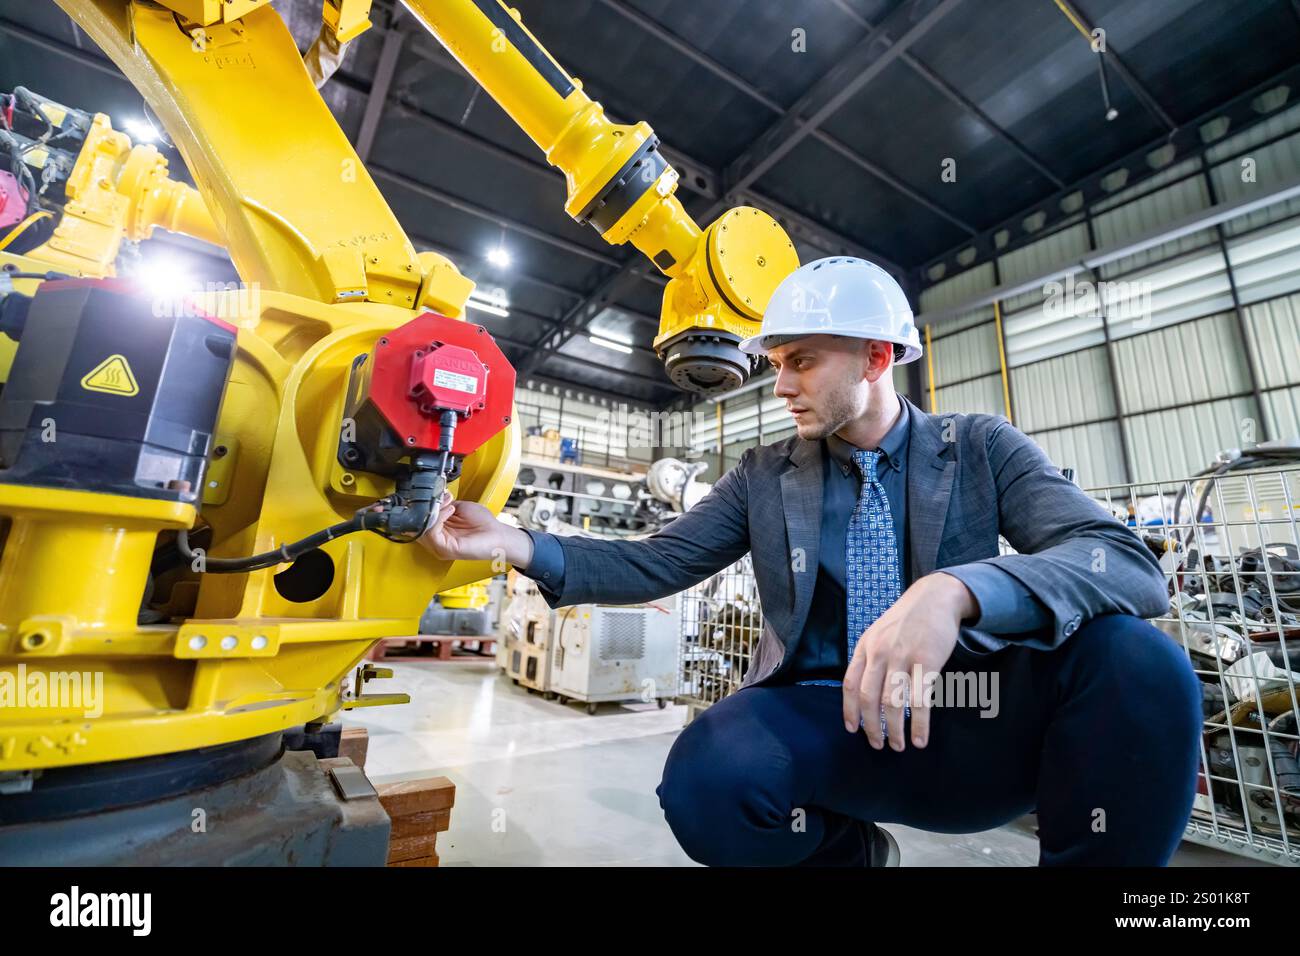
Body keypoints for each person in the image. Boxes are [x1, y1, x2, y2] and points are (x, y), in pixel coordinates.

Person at [419, 256, 1203, 866]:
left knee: (1139, 659)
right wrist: (515, 541)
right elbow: (658, 562)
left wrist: (955, 590)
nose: (780, 384)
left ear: (876, 356)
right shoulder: (765, 476)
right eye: (776, 363)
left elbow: (1121, 564)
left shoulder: (980, 449)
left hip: (965, 714)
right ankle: (846, 856)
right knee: (710, 778)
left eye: (800, 361)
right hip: (827, 717)